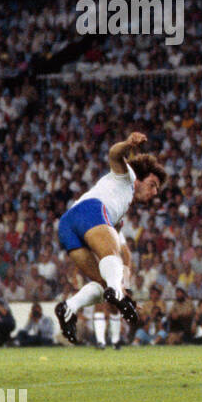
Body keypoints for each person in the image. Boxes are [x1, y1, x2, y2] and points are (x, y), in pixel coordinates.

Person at [53, 132, 165, 343]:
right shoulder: (128, 176)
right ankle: (116, 292)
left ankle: (69, 307)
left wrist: (125, 290)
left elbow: (123, 253)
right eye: (153, 184)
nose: (155, 192)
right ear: (140, 177)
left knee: (104, 283)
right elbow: (114, 154)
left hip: (67, 225)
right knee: (111, 261)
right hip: (90, 211)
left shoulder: (119, 213)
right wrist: (128, 143)